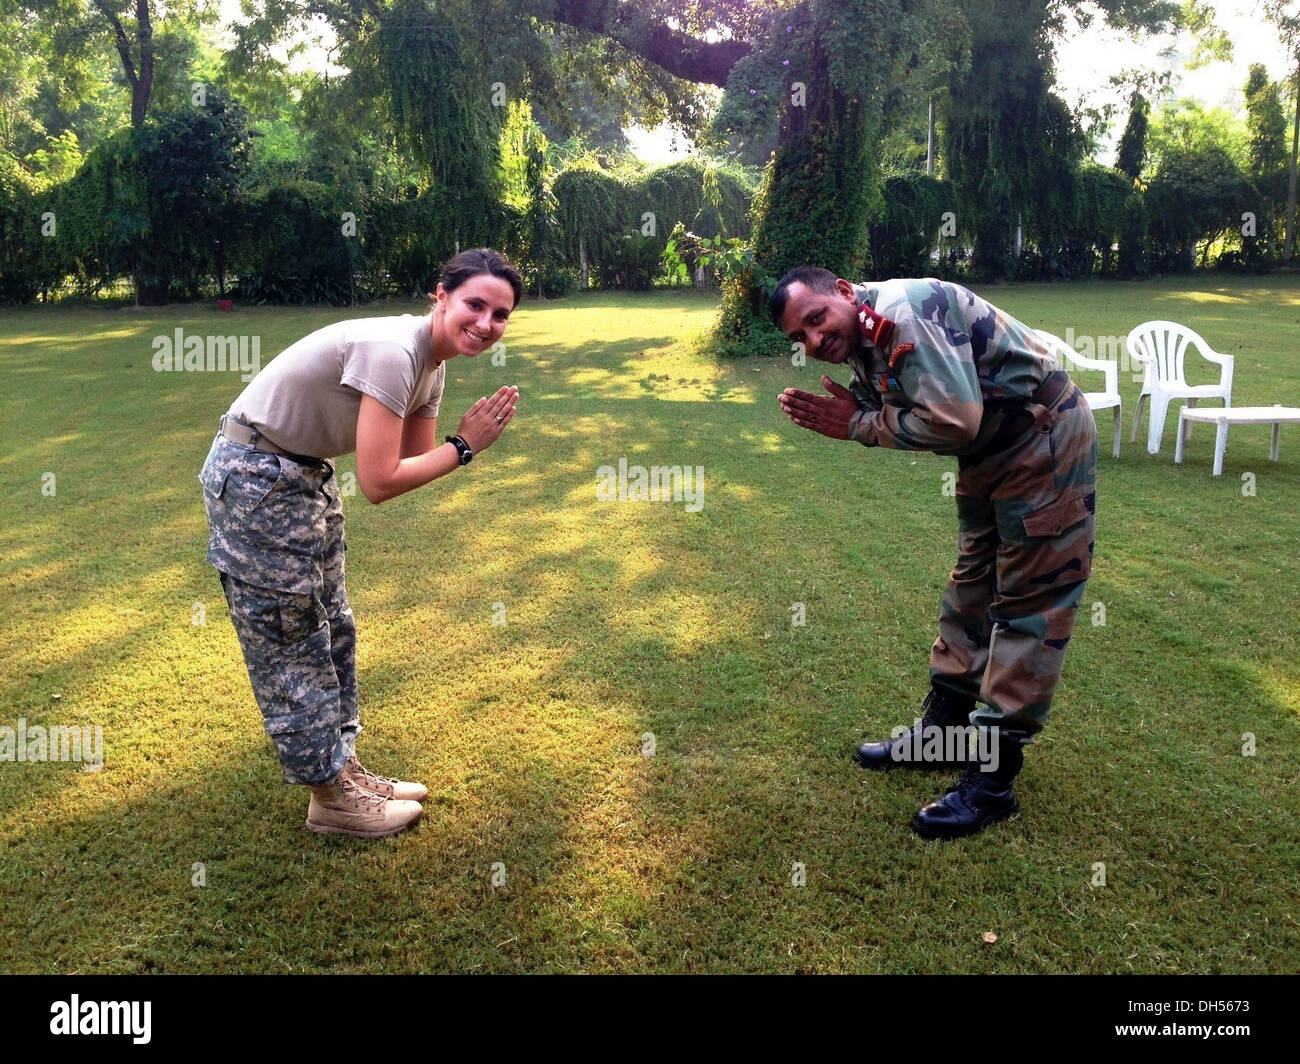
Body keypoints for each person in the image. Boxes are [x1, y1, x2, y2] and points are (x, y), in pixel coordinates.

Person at [199, 248, 522, 838]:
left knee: (331, 624)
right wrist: (466, 445)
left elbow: (408, 462)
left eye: (500, 314)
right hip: (256, 478)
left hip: (302, 478)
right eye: (475, 304)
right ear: (441, 295)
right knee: (289, 632)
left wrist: (458, 446)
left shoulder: (430, 364)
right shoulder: (394, 352)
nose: (485, 323)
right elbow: (378, 483)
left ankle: (343, 770)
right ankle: (330, 800)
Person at [773, 268, 1096, 840]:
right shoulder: (866, 337)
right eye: (800, 338)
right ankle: (942, 734)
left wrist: (860, 424)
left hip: (1042, 439)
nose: (815, 342)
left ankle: (992, 782)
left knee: (1029, 601)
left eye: (816, 319)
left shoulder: (907, 312)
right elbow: (924, 409)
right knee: (972, 583)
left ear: (845, 292)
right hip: (989, 453)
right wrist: (863, 412)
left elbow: (951, 419)